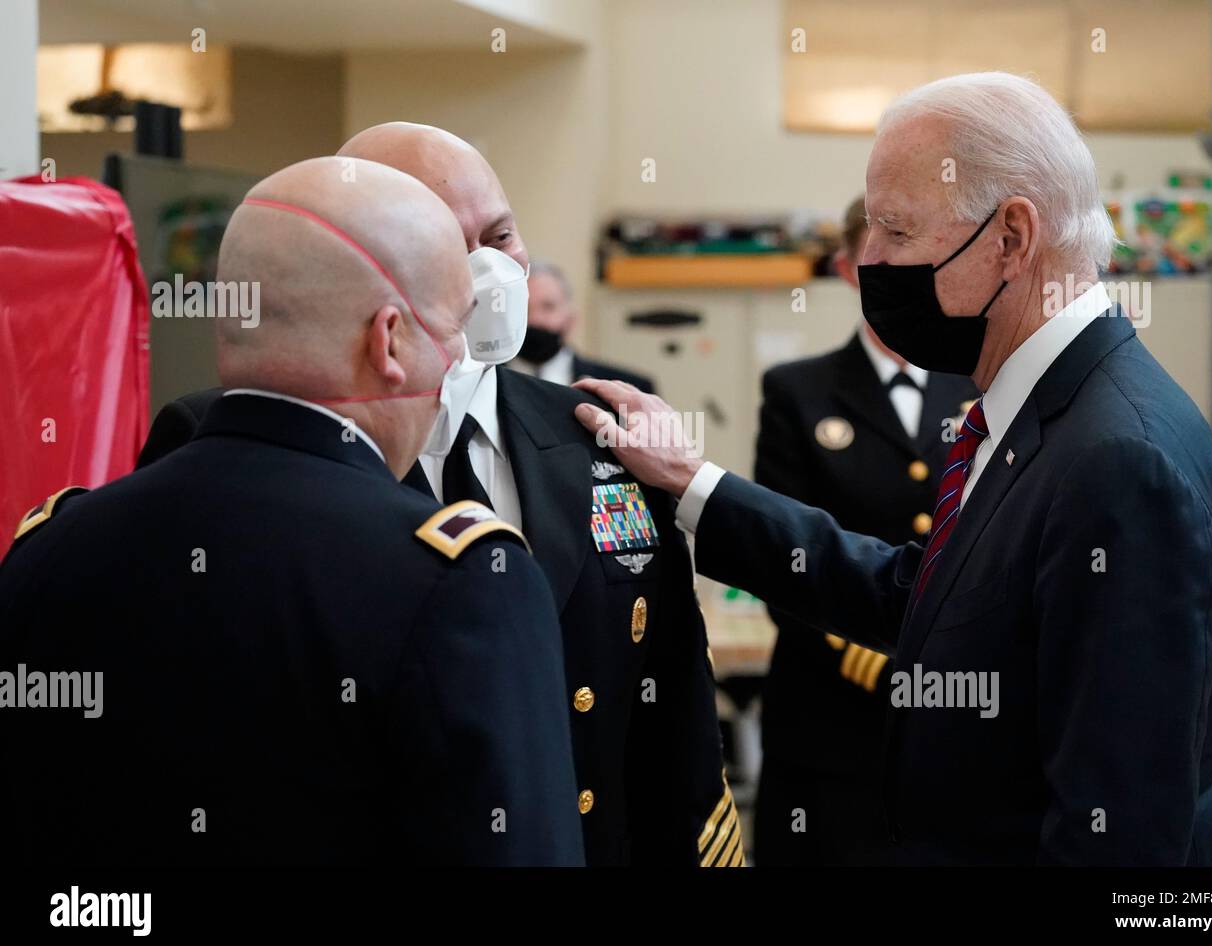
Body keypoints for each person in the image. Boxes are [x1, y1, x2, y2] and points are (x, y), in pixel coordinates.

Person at [572, 72, 1212, 866]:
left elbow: (1117, 838)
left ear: (1011, 238)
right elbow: (925, 597)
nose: (868, 262)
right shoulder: (1042, 408)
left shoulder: (1118, 462)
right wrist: (693, 486)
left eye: (895, 232)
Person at [0, 157, 584, 866]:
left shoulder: (52, 545)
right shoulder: (461, 583)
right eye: (453, 331)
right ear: (389, 340)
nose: (458, 359)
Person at [334, 123, 739, 867]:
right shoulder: (291, 442)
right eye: (452, 245)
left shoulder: (601, 434)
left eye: (501, 235)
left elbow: (672, 702)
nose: (491, 271)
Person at [754, 195, 979, 866]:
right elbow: (781, 555)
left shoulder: (977, 383)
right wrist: (882, 662)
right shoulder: (799, 390)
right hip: (833, 714)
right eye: (879, 259)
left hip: (956, 716)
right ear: (850, 271)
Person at [512, 260, 656, 394]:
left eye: (549, 307)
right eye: (522, 307)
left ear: (571, 318)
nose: (535, 319)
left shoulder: (631, 390)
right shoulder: (490, 380)